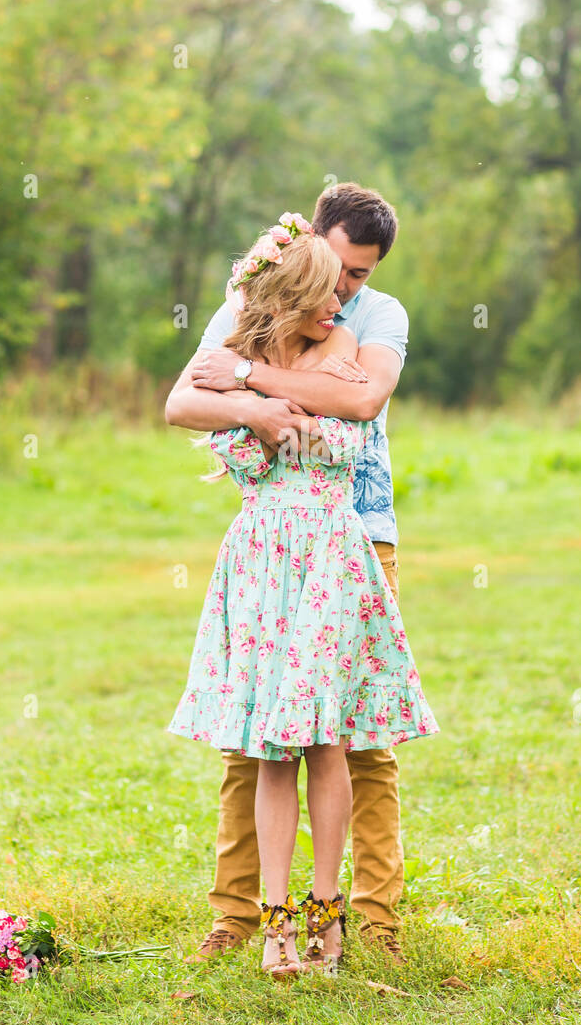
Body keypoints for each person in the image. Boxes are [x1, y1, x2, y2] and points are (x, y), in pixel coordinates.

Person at [165, 212, 438, 977]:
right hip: (264, 559)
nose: (349, 294)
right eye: (340, 274)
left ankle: (370, 916)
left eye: (360, 276)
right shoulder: (252, 306)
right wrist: (256, 408)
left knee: (356, 738)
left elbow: (357, 403)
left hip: (352, 537)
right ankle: (243, 915)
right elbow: (181, 404)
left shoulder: (371, 319)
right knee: (255, 742)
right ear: (309, 252)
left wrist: (251, 383)